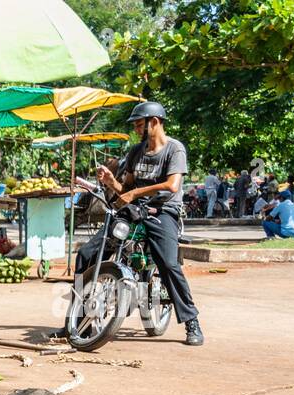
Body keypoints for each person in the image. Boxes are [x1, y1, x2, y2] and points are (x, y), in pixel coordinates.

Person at [74, 101, 203, 347]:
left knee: (168, 264)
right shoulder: (136, 151)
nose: (136, 129)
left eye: (139, 124)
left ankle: (191, 321)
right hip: (133, 211)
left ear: (154, 122)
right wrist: (112, 182)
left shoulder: (174, 149)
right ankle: (79, 318)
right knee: (87, 253)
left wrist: (134, 194)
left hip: (162, 211)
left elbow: (171, 186)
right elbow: (127, 189)